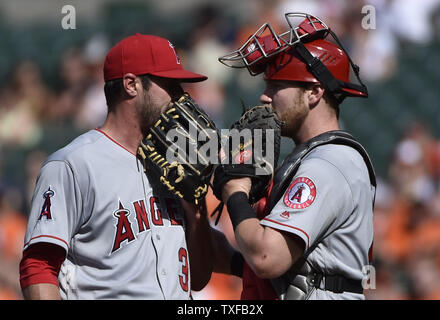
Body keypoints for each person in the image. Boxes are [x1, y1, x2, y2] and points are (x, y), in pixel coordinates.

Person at [19, 33, 213, 300]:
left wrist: (197, 217)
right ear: (131, 84)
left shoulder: (177, 167)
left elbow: (198, 280)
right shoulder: (73, 164)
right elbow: (38, 266)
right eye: (170, 84)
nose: (180, 97)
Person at [215, 13, 376, 300]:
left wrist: (235, 194)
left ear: (314, 92)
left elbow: (266, 257)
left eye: (276, 86)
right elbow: (272, 267)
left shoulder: (327, 163)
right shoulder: (310, 159)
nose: (265, 96)